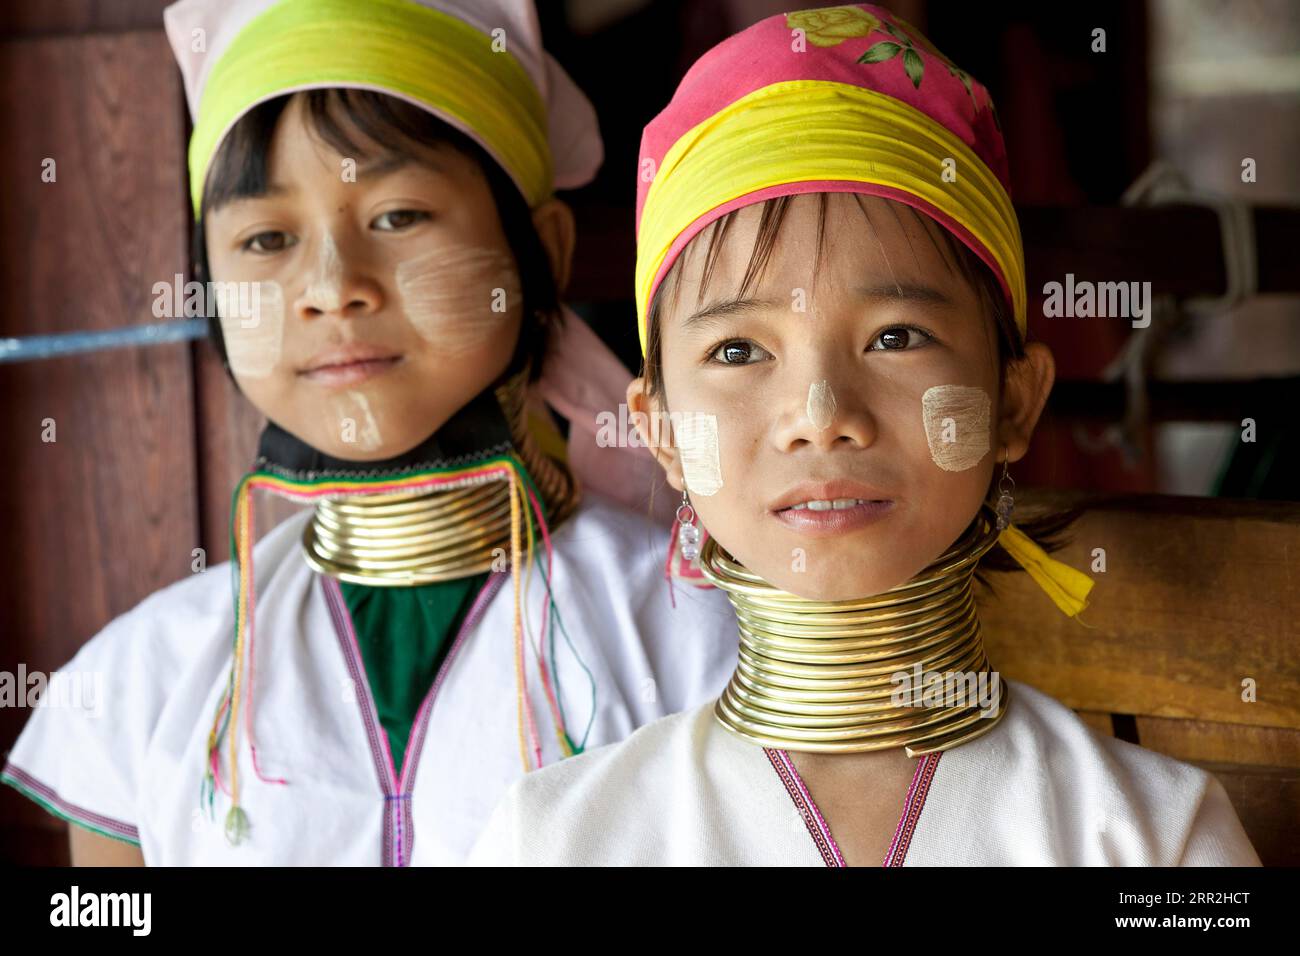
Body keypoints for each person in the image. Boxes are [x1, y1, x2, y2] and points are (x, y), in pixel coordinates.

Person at [465, 3, 1262, 866]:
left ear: (1012, 403)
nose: (820, 412)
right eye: (738, 350)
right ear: (661, 431)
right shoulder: (554, 838)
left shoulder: (1154, 835)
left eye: (896, 337)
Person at [1, 0, 738, 866]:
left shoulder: (698, 639)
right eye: (267, 238)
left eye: (396, 217)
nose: (330, 285)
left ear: (544, 250)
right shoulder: (140, 685)